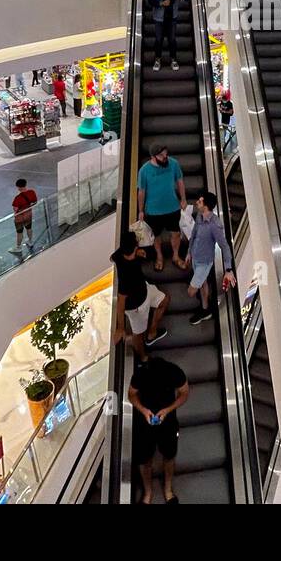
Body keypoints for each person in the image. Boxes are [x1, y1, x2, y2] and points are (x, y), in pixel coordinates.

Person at [129, 355, 189, 504]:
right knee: (144, 458)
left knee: (169, 455)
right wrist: (143, 411)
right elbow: (131, 394)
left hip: (168, 422)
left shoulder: (174, 372)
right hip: (143, 421)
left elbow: (184, 392)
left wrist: (167, 410)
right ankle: (148, 492)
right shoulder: (141, 374)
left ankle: (168, 489)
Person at [112, 228, 169, 361]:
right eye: (137, 242)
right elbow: (120, 301)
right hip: (136, 308)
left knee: (164, 300)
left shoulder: (119, 254)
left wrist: (137, 252)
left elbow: (112, 258)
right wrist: (121, 328)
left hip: (145, 288)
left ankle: (152, 333)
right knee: (138, 334)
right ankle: (143, 358)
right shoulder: (126, 275)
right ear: (135, 246)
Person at [186, 192, 234, 327]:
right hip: (196, 257)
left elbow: (224, 246)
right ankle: (205, 309)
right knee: (203, 283)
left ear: (206, 206)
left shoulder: (215, 225)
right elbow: (193, 235)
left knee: (191, 292)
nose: (197, 203)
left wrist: (228, 269)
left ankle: (206, 306)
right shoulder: (200, 217)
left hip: (204, 263)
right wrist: (189, 252)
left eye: (200, 202)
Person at [138, 143, 186, 271]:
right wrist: (141, 210)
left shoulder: (173, 164)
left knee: (176, 233)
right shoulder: (144, 170)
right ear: (153, 157)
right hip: (153, 212)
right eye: (161, 155)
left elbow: (180, 181)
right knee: (156, 236)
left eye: (166, 154)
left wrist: (183, 198)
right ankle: (159, 256)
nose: (165, 157)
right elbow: (141, 191)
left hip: (173, 208)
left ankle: (176, 256)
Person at [149, 0, 186, 72]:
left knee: (172, 39)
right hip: (159, 18)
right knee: (158, 39)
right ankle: (157, 59)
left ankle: (173, 59)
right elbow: (151, 1)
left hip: (172, 18)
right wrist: (161, 3)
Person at [11, 178, 38, 256]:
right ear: (25, 184)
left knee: (19, 232)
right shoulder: (32, 192)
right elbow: (35, 202)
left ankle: (18, 247)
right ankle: (30, 241)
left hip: (19, 218)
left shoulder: (17, 198)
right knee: (29, 228)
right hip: (28, 215)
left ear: (18, 187)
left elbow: (15, 209)